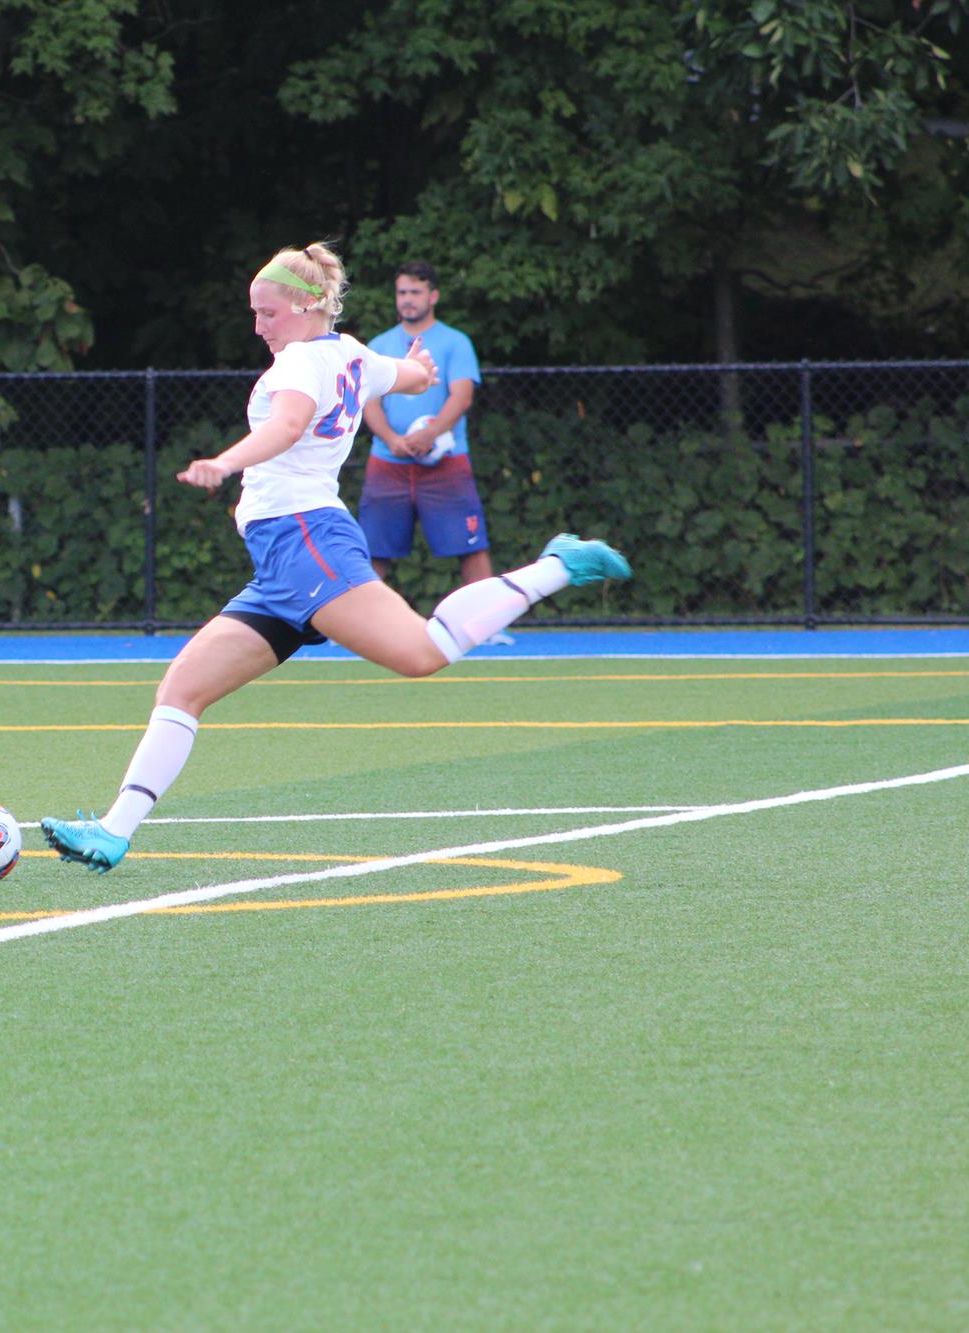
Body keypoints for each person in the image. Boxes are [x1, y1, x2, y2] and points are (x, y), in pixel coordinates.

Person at [39, 243, 629, 874]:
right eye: (254, 314)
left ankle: (558, 564)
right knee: (183, 688)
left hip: (306, 542)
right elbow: (405, 377)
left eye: (267, 313)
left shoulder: (300, 363)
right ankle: (112, 831)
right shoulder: (349, 353)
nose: (259, 326)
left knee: (422, 652)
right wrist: (420, 372)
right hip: (282, 563)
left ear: (306, 304)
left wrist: (226, 462)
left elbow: (289, 425)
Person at [358, 261, 498, 604]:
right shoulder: (379, 344)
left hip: (446, 460)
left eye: (415, 292)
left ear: (433, 296)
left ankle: (489, 622)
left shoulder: (455, 342)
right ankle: (363, 626)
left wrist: (430, 434)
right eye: (402, 292)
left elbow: (462, 395)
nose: (407, 299)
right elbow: (368, 401)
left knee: (471, 546)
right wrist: (392, 439)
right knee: (373, 549)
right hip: (388, 461)